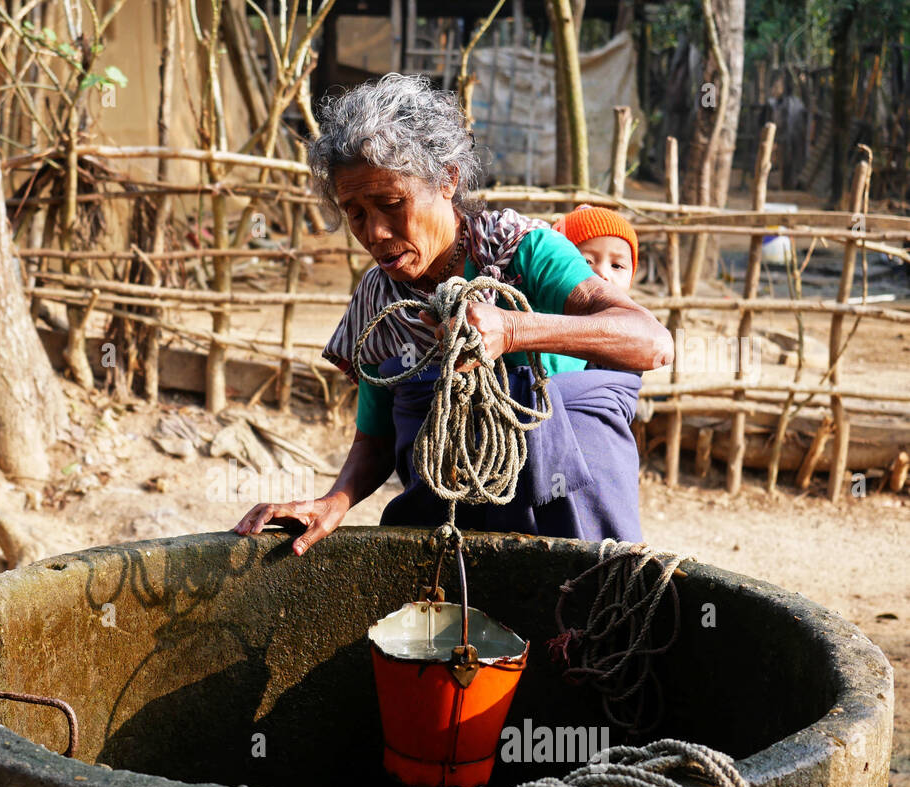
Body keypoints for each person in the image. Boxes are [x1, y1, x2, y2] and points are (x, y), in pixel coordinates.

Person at [232, 74, 671, 554]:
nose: (374, 232)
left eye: (391, 203)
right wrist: (334, 501)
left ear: (448, 179)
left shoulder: (524, 253)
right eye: (355, 213)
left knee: (576, 621)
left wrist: (513, 329)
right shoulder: (378, 303)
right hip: (449, 527)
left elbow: (651, 342)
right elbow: (376, 439)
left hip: (570, 516)